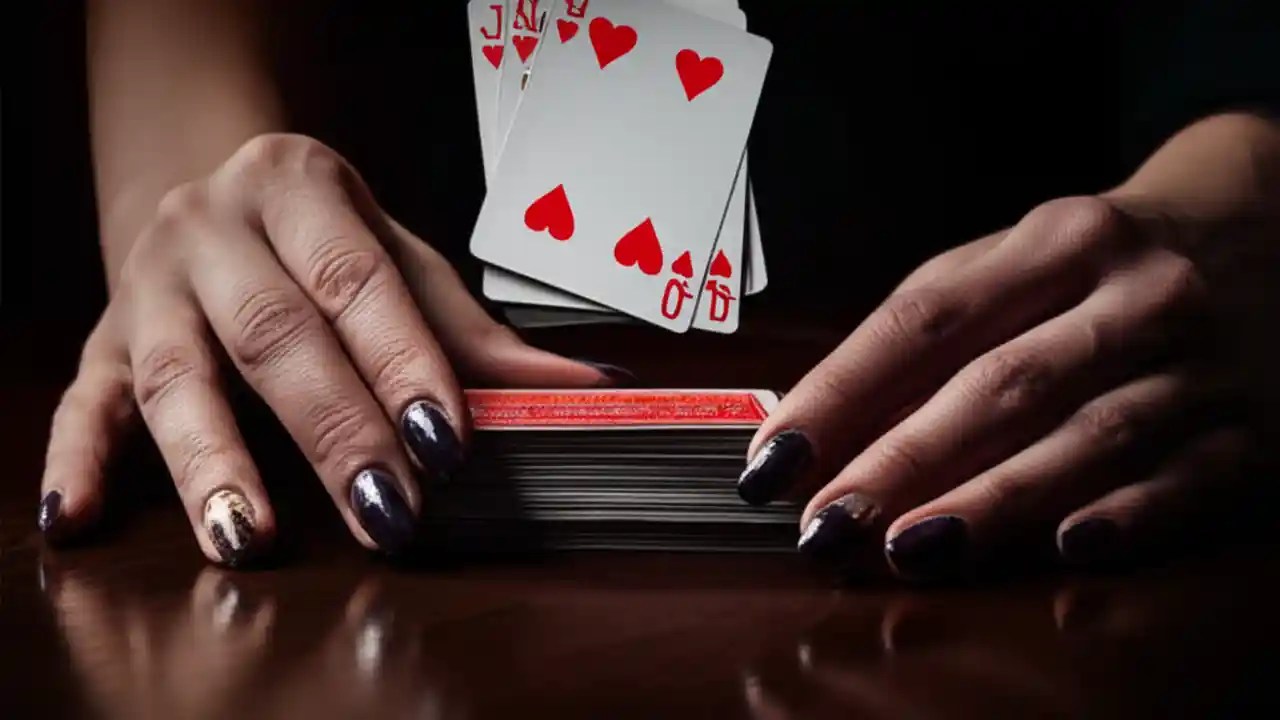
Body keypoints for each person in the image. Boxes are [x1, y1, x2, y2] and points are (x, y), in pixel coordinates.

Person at [38, 0, 1280, 581]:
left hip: (1036, 513)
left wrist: (1238, 188)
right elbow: (185, 65)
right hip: (423, 531)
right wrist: (201, 226)